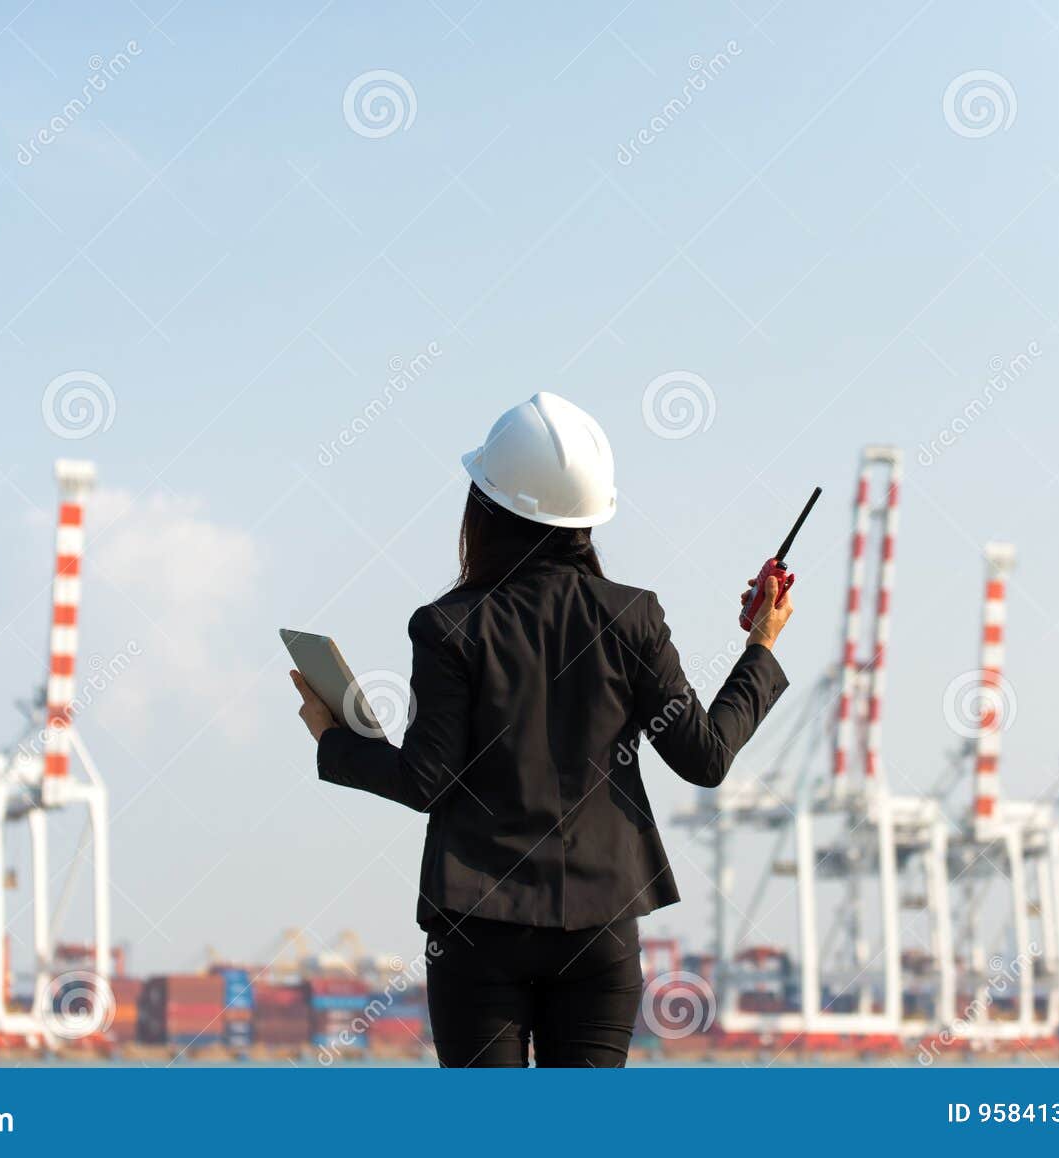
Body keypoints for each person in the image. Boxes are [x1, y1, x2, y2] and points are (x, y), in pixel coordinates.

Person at [289, 391, 794, 1067]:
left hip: (477, 927)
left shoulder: (447, 626)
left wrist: (334, 740)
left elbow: (425, 780)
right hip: (601, 926)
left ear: (485, 509)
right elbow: (705, 757)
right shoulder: (633, 618)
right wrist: (760, 646)